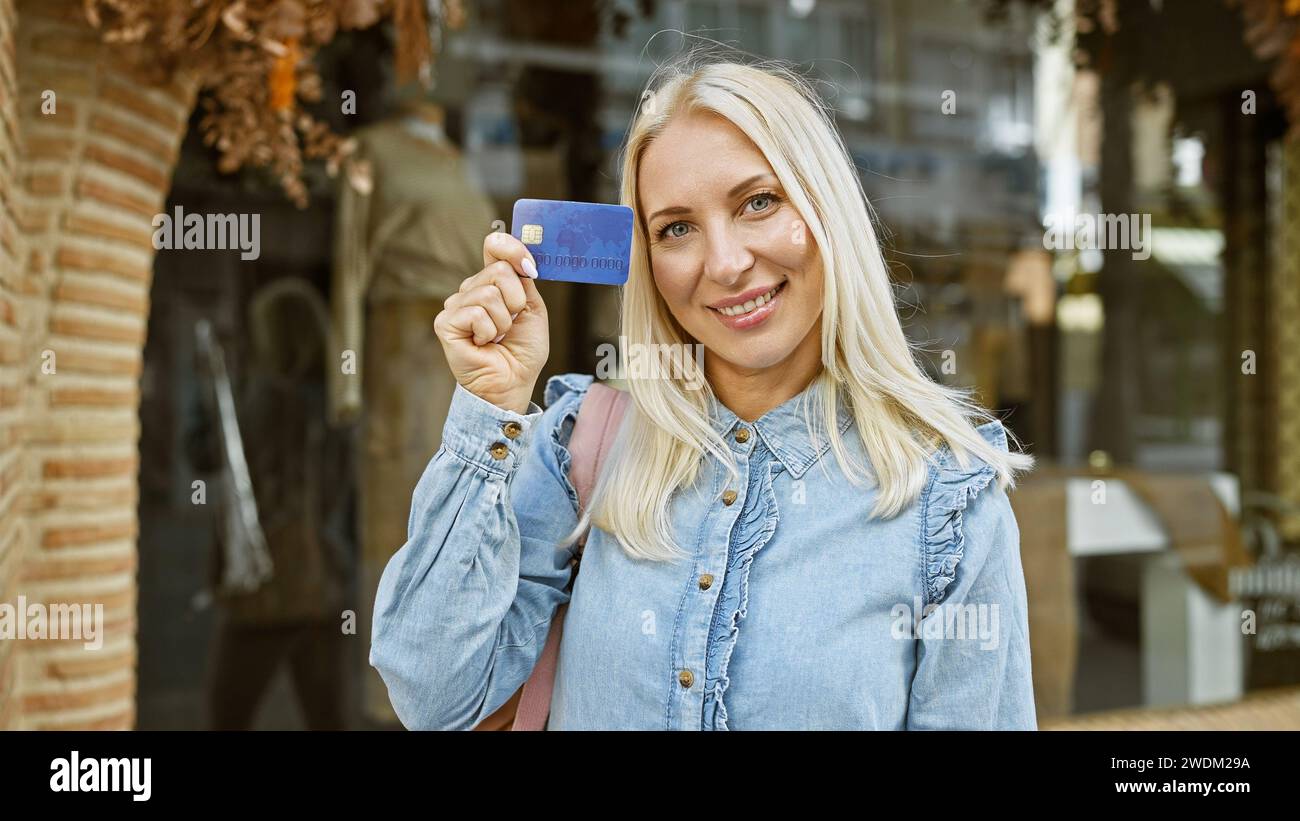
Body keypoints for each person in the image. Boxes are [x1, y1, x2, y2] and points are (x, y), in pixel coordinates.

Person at [370, 55, 1038, 730]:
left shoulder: (950, 500)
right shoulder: (581, 447)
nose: (724, 263)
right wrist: (490, 408)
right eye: (677, 228)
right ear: (649, 263)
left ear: (825, 208)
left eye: (758, 202)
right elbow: (434, 695)